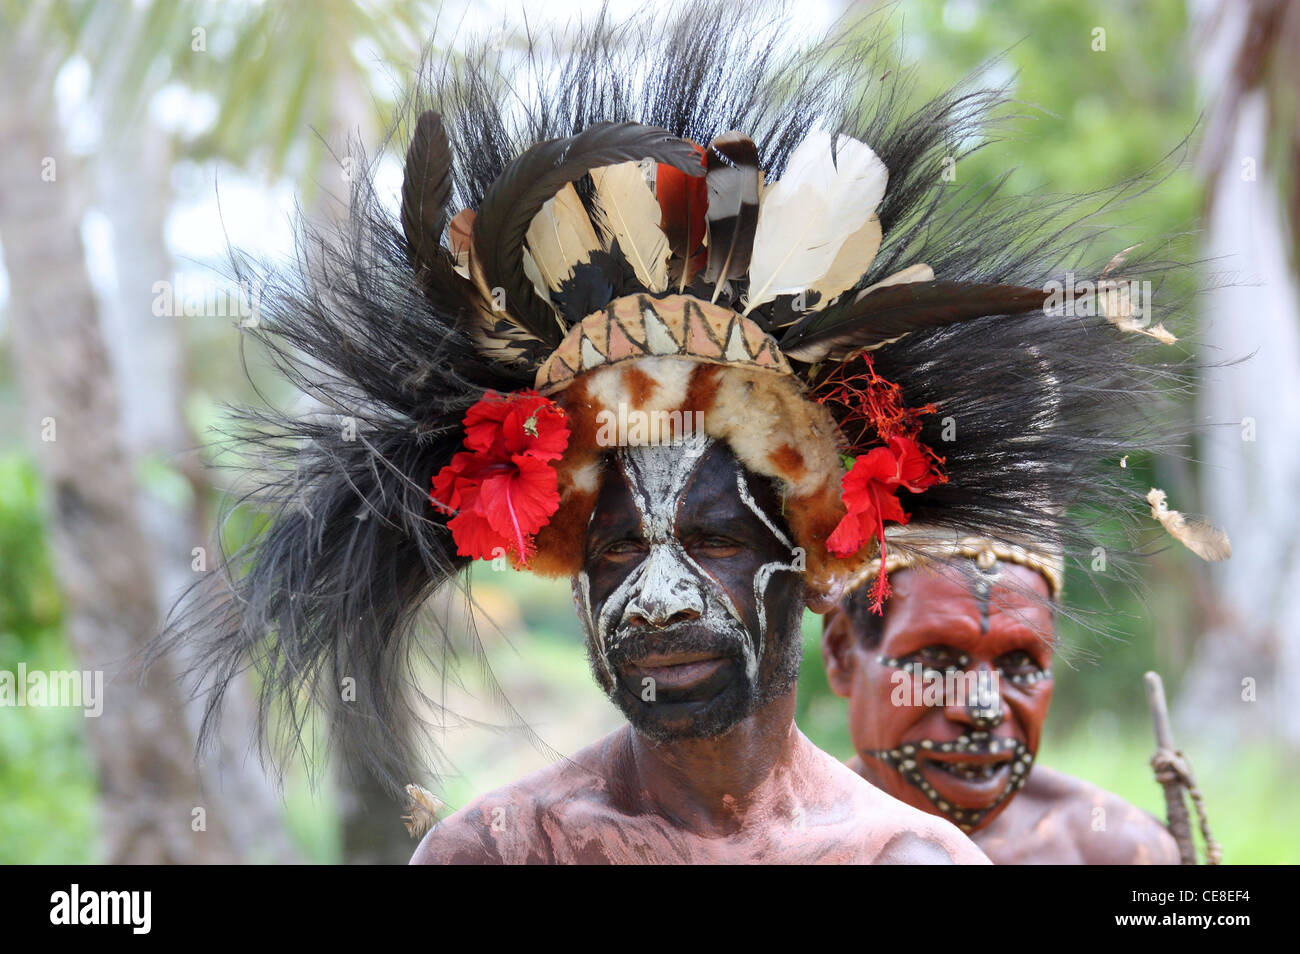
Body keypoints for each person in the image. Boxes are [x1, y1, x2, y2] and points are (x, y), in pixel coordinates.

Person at [161, 5, 1203, 864]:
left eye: (710, 540)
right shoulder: (497, 851)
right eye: (617, 549)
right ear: (568, 570)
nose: (653, 600)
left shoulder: (906, 861)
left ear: (814, 561)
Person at [822, 533, 1181, 864]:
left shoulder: (1116, 849)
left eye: (1019, 663)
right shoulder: (781, 850)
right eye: (936, 658)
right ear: (842, 654)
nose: (985, 708)